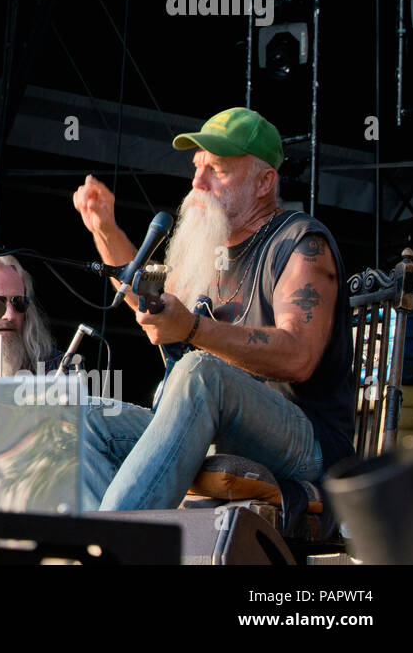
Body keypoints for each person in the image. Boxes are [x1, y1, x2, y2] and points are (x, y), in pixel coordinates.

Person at [71, 107, 353, 511]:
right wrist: (104, 229)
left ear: (264, 182)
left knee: (199, 371)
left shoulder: (301, 242)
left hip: (307, 442)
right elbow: (156, 306)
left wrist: (192, 330)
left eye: (216, 170)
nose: (197, 182)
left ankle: (114, 543)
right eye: (197, 167)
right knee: (83, 420)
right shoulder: (212, 245)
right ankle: (126, 544)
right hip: (213, 426)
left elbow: (298, 356)